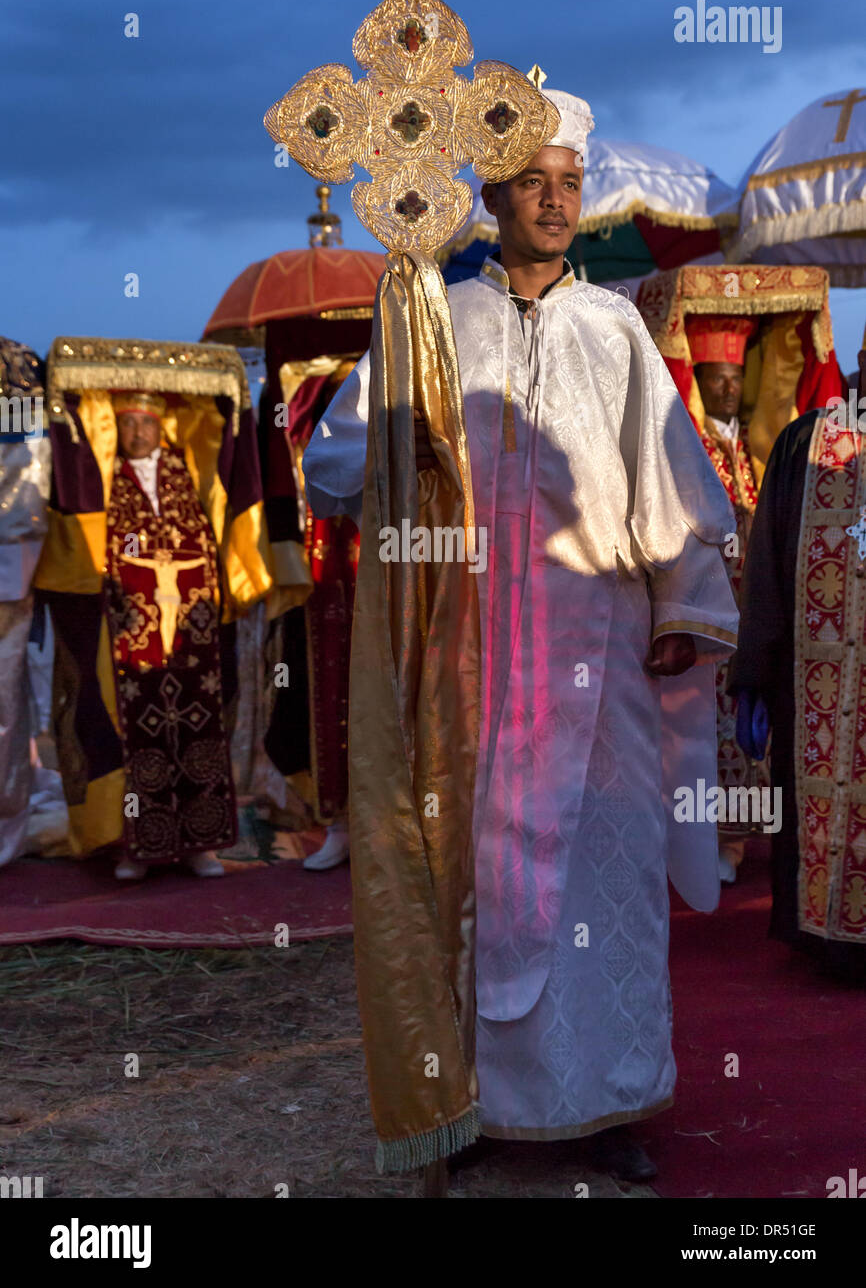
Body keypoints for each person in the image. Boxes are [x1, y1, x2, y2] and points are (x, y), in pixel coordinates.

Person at [303, 88, 739, 1180]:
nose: (553, 200)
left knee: (609, 876)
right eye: (531, 181)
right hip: (474, 672)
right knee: (479, 878)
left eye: (568, 182)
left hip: (607, 670)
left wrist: (682, 609)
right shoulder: (439, 323)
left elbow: (673, 480)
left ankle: (611, 1104)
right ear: (489, 192)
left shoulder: (613, 328)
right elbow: (336, 468)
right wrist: (400, 395)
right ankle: (472, 1107)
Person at [36, 350, 274, 883]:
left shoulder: (184, 479)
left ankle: (200, 844)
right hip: (132, 634)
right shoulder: (109, 485)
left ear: (159, 426)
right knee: (132, 735)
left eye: (145, 423)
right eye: (127, 424)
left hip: (192, 633)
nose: (137, 433)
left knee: (197, 733)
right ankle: (133, 846)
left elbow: (203, 546)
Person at [730, 345, 866, 977]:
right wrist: (752, 671)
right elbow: (766, 561)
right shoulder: (806, 442)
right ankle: (826, 936)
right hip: (818, 687)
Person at [689, 318, 763, 883]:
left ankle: (741, 840)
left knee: (745, 722)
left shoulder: (752, 449)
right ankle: (711, 839)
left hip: (751, 613)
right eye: (718, 378)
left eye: (735, 378)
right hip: (710, 611)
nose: (728, 388)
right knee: (708, 728)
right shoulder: (692, 443)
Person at [0, 336, 51, 866]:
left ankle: (5, 828)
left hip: (5, 570)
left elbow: (28, 488)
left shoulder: (13, 367)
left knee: (4, 706)